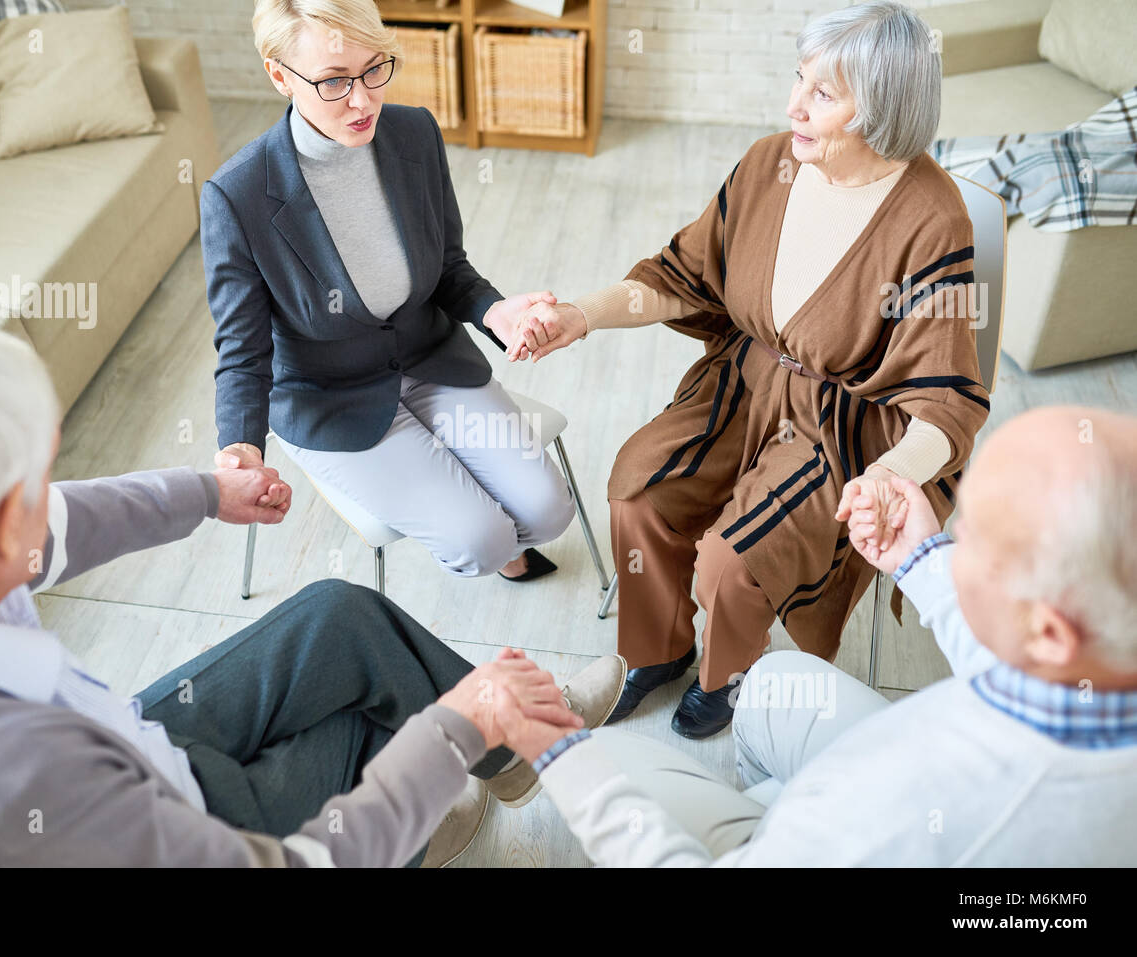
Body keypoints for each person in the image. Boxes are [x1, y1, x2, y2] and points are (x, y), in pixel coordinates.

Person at [0, 323, 624, 867]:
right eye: (40, 475)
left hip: (135, 743)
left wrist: (207, 493)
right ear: (3, 524)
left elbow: (67, 523)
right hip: (177, 824)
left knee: (339, 616)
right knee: (390, 722)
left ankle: (507, 757)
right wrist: (457, 727)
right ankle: (453, 791)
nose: (54, 490)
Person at [504, 0, 991, 738]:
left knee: (733, 559)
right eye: (798, 79)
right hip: (746, 377)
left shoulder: (934, 220)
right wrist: (581, 314)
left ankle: (724, 675)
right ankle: (659, 649)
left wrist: (893, 473)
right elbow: (679, 275)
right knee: (637, 483)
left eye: (822, 93)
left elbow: (949, 402)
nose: (793, 104)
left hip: (842, 423)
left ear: (882, 107)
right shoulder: (772, 163)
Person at [497, 405, 1137, 866]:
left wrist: (558, 751)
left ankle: (757, 829)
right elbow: (1030, 657)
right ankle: (762, 805)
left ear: (1049, 631)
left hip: (837, 834)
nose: (955, 538)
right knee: (775, 681)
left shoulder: (919, 809)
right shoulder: (1095, 662)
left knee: (607, 761)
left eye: (974, 540)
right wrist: (923, 558)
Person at [201, 0, 575, 584]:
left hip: (429, 359)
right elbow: (244, 355)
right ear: (280, 75)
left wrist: (494, 311)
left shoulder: (413, 133)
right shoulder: (237, 196)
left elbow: (449, 266)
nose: (362, 100)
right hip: (331, 399)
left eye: (375, 69)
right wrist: (242, 448)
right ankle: (498, 547)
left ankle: (496, 529)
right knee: (481, 540)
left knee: (552, 509)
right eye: (333, 82)